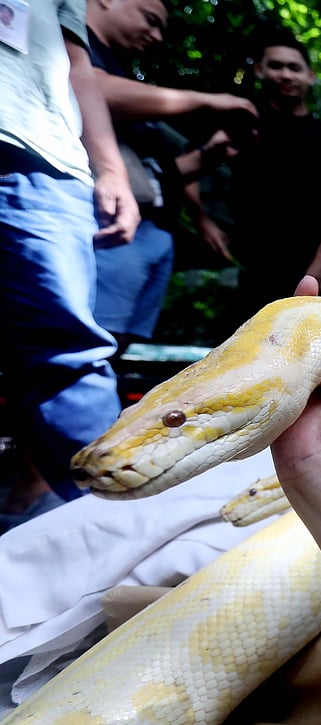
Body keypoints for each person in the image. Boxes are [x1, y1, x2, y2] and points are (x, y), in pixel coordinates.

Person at [0, 0, 138, 524]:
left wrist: (111, 169)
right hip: (42, 170)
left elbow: (76, 63)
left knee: (68, 357)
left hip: (41, 157)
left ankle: (117, 531)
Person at [86, 0, 258, 352]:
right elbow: (90, 89)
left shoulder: (121, 70)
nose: (157, 35)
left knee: (116, 347)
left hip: (150, 229)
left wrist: (210, 155)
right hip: (109, 226)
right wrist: (208, 100)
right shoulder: (79, 51)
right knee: (87, 344)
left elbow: (162, 176)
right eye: (150, 21)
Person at [208, 31, 321, 323]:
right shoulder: (242, 122)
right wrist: (203, 222)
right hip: (252, 259)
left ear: (309, 76)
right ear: (260, 69)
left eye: (294, 68)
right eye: (276, 66)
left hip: (309, 260)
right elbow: (195, 163)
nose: (285, 75)